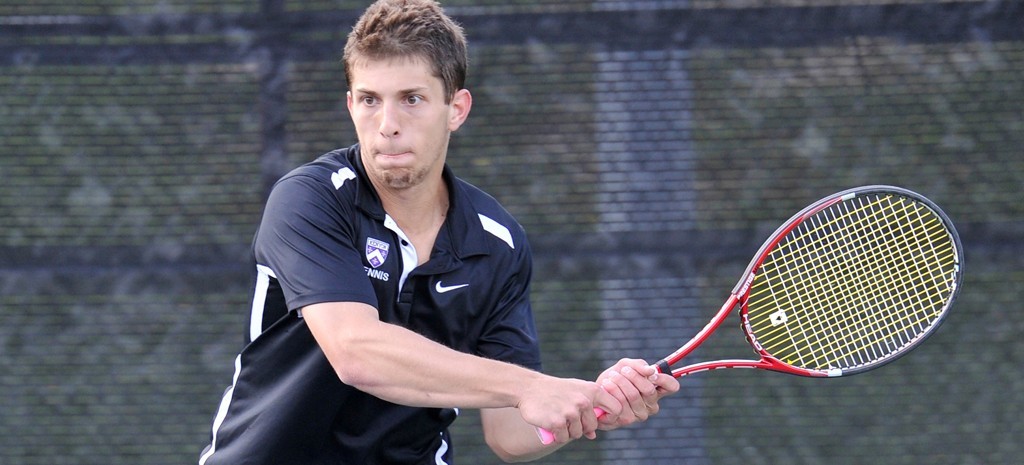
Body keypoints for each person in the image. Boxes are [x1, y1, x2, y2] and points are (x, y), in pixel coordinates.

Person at [198, 1, 679, 463]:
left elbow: (509, 434)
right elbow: (356, 352)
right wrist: (531, 387)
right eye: (370, 100)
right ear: (350, 105)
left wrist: (591, 405)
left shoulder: (498, 244)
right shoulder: (311, 198)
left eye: (412, 99)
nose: (387, 125)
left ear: (456, 108)